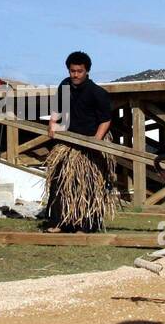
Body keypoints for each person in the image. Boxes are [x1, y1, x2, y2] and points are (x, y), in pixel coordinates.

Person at [42, 51, 117, 232]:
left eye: (79, 71)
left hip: (90, 141)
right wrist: (53, 123)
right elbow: (58, 107)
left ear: (87, 71)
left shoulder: (97, 93)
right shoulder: (65, 86)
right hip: (68, 140)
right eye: (72, 71)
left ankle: (86, 225)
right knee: (60, 180)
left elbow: (105, 119)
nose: (75, 75)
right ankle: (58, 223)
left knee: (88, 183)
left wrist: (96, 141)